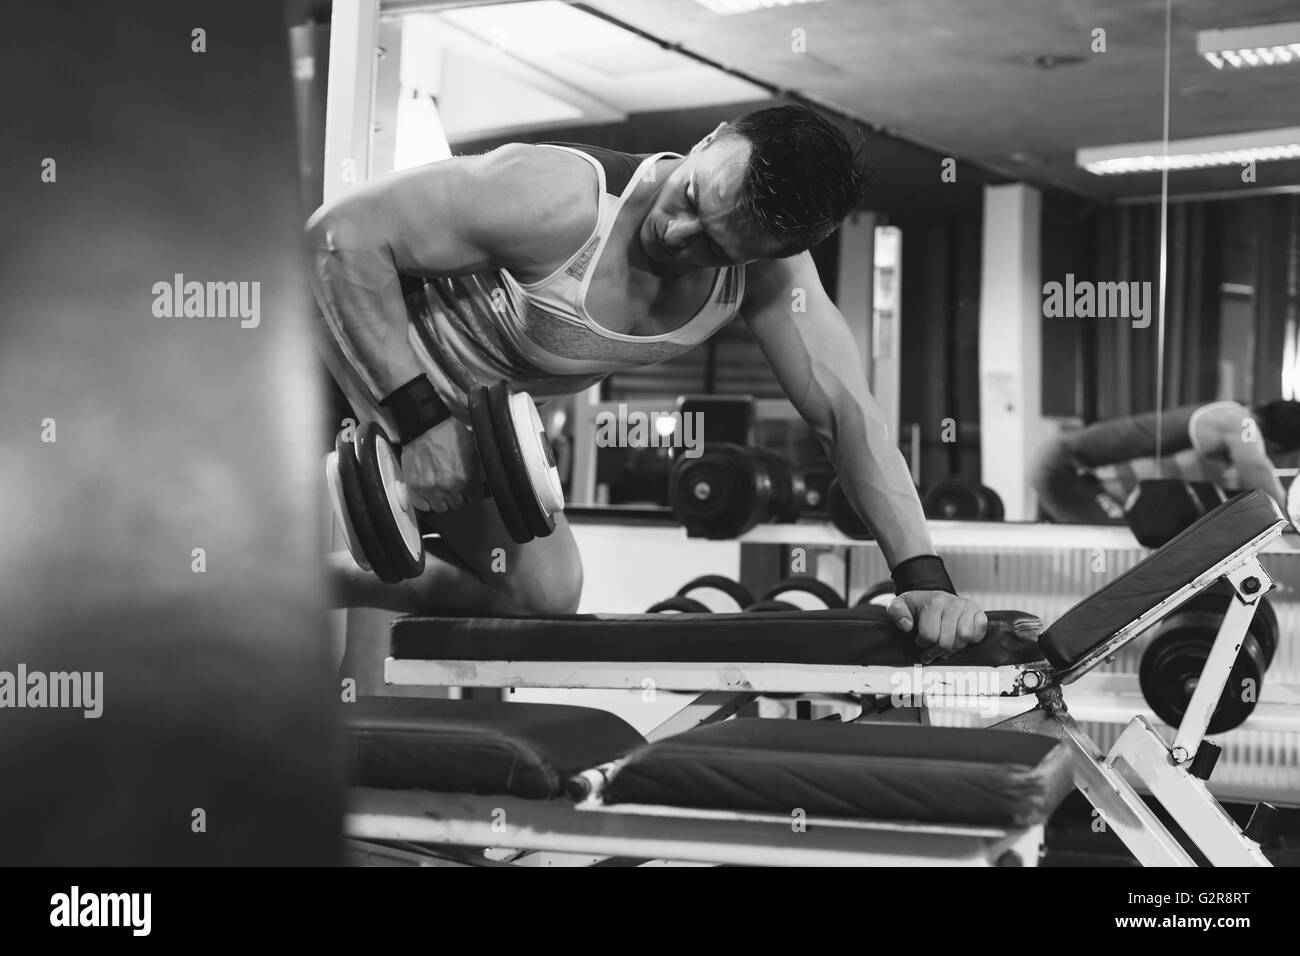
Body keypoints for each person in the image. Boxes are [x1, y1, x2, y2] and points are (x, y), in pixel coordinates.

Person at [307, 104, 987, 659]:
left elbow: (847, 416)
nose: (675, 231)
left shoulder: (770, 279)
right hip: (339, 360)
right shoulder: (557, 197)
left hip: (456, 427)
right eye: (691, 195)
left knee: (543, 596)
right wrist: (418, 423)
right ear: (712, 139)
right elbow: (339, 237)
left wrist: (923, 579)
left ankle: (316, 585)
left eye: (715, 245)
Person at [1030, 399, 1300, 523]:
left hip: (1085, 478)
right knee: (1123, 544)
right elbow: (1260, 474)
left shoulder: (1233, 423)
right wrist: (1293, 520)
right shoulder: (1239, 421)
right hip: (1062, 468)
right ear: (1276, 443)